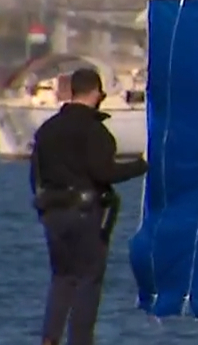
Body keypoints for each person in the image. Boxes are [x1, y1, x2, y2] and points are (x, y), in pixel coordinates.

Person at [30, 67, 148, 345]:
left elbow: (35, 176)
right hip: (85, 213)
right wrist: (142, 164)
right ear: (96, 93)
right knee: (87, 280)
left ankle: (49, 339)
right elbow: (104, 172)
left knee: (62, 278)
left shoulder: (46, 130)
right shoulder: (95, 131)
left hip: (52, 212)